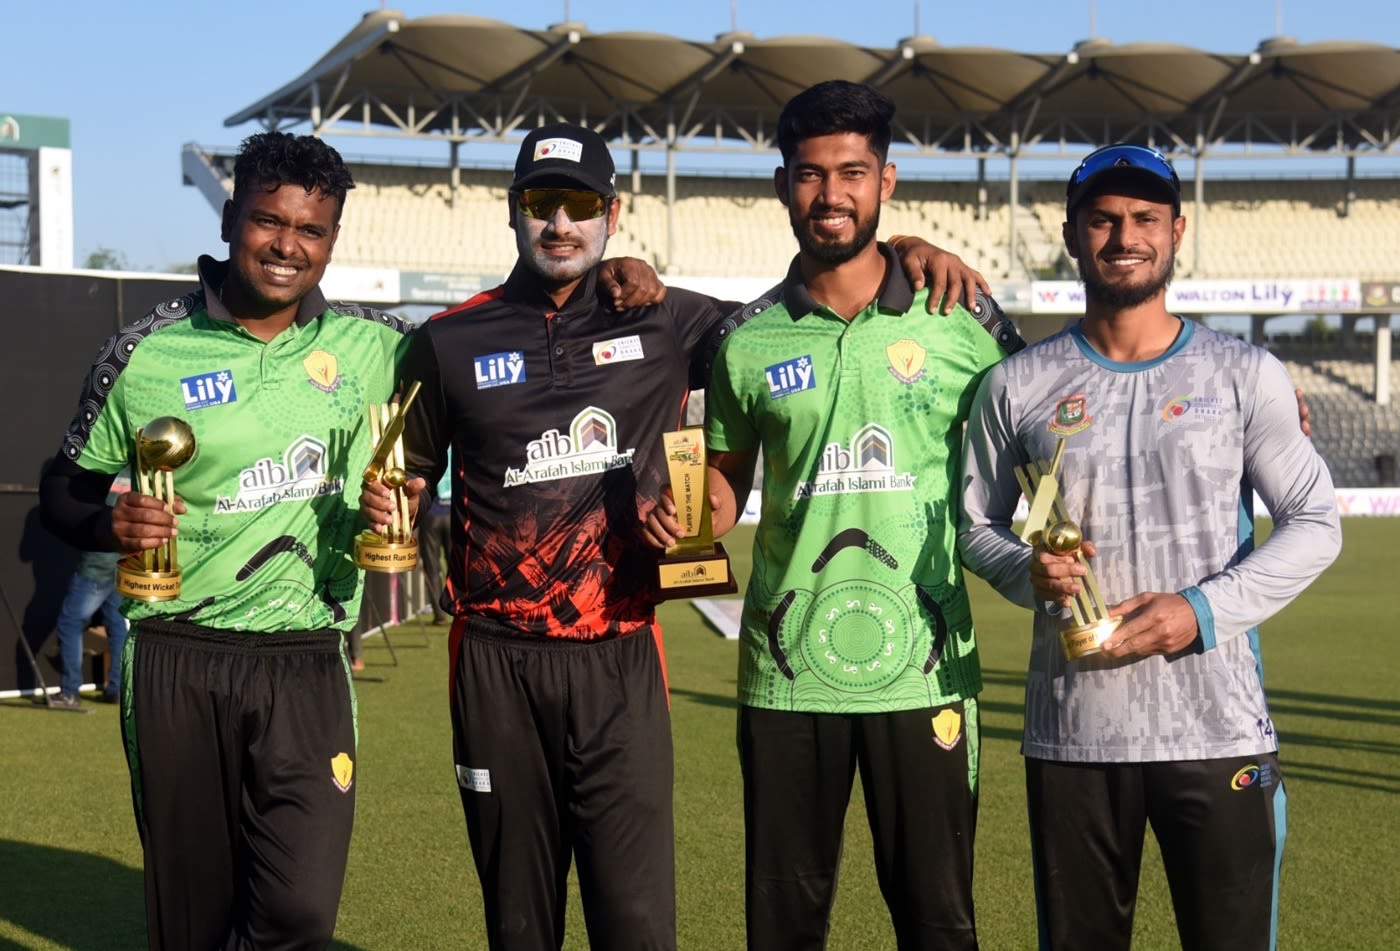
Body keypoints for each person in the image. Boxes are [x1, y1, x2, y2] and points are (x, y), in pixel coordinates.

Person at [360, 121, 985, 951]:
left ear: (611, 214)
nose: (559, 224)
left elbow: (797, 318)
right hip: (495, 662)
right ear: (512, 210)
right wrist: (385, 503)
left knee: (638, 923)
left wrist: (904, 243)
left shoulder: (669, 321)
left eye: (579, 205)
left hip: (620, 651)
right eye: (541, 203)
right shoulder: (444, 342)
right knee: (517, 921)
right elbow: (407, 470)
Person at [645, 81, 1024, 951]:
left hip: (927, 670)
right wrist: (688, 511)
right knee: (783, 925)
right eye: (811, 175)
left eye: (852, 172)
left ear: (887, 181)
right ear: (784, 185)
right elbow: (729, 481)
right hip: (787, 674)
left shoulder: (958, 315)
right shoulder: (748, 339)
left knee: (938, 920)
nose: (831, 195)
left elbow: (1059, 416)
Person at [957, 143, 1342, 951]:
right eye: (1103, 219)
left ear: (1176, 230)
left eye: (1143, 219)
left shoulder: (1243, 373)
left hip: (1220, 730)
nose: (1123, 235)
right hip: (1073, 734)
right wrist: (1028, 572)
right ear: (1071, 234)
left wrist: (1198, 611)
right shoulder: (1018, 383)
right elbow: (974, 525)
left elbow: (1314, 520)